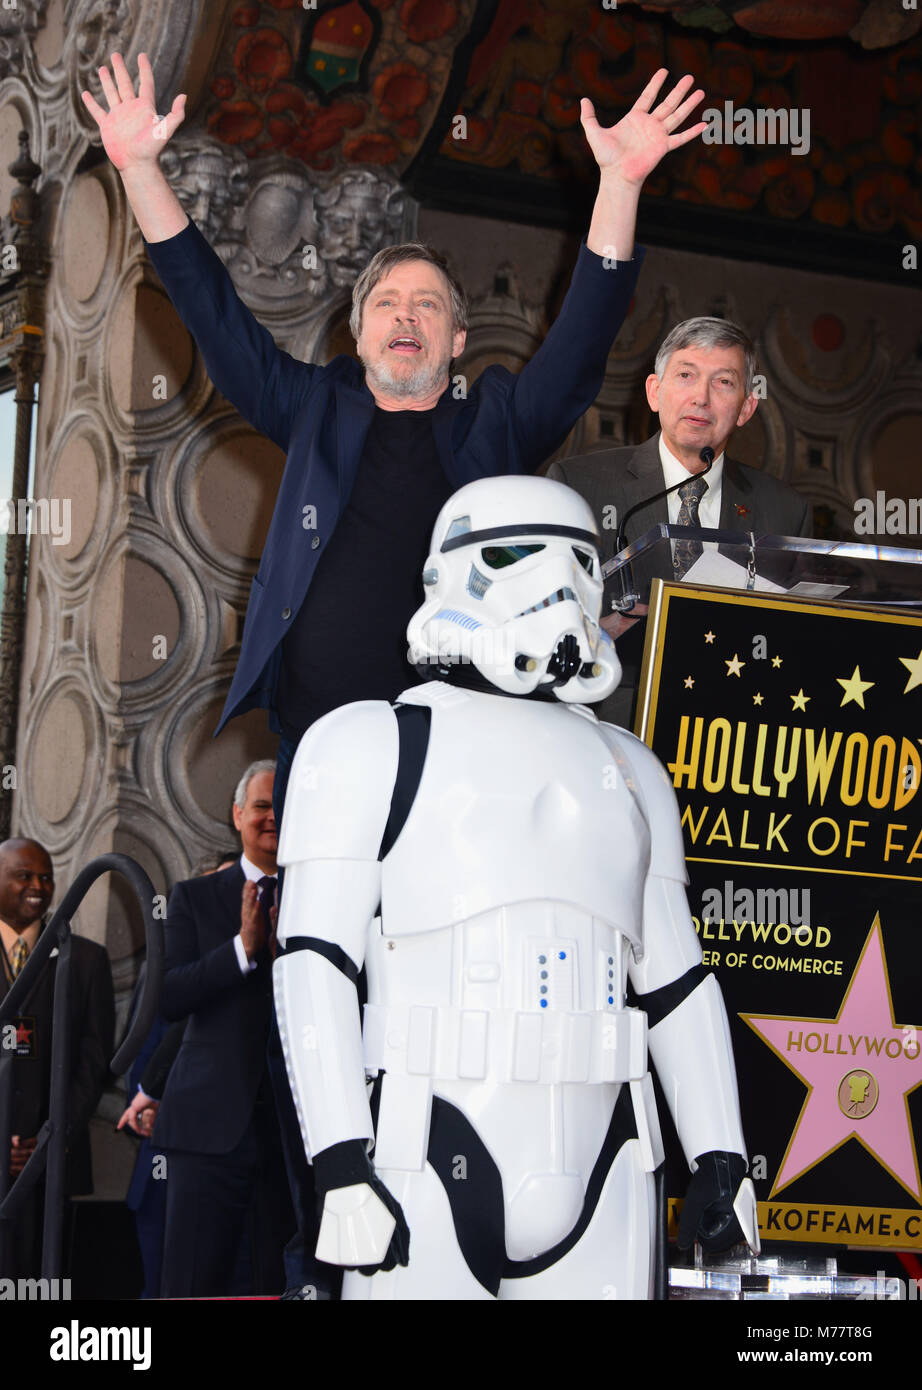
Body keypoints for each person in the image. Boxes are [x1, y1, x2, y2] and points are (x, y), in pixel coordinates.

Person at [81, 54, 708, 823]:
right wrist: (142, 170)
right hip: (324, 741)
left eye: (427, 306)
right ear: (360, 334)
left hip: (469, 746)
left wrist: (620, 184)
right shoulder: (310, 405)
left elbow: (580, 345)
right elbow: (213, 313)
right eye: (386, 303)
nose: (406, 317)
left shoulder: (499, 421)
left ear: (456, 340)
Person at [272, 475, 758, 1299]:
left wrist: (720, 1154)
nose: (557, 584)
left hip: (609, 1151)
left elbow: (676, 983)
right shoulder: (366, 745)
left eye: (580, 559)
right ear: (446, 575)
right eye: (514, 554)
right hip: (422, 1142)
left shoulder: (632, 770)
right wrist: (339, 1157)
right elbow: (313, 961)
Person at [547, 316, 812, 724]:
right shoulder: (579, 486)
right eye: (686, 375)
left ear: (745, 407)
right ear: (655, 392)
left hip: (729, 737)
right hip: (604, 730)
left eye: (723, 382)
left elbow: (792, 648)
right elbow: (545, 624)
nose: (701, 398)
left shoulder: (785, 511)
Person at [151, 762, 332, 1298]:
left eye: (283, 806)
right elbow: (168, 996)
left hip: (296, 1134)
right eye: (260, 805)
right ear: (236, 816)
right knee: (191, 1284)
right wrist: (243, 951)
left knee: (282, 1285)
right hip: (208, 1130)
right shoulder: (193, 898)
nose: (272, 816)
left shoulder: (325, 901)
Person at [0, 837, 114, 1278]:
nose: (38, 886)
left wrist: (47, 1136)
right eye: (23, 876)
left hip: (48, 1164)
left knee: (35, 1276)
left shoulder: (86, 959)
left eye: (45, 877)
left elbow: (94, 1061)